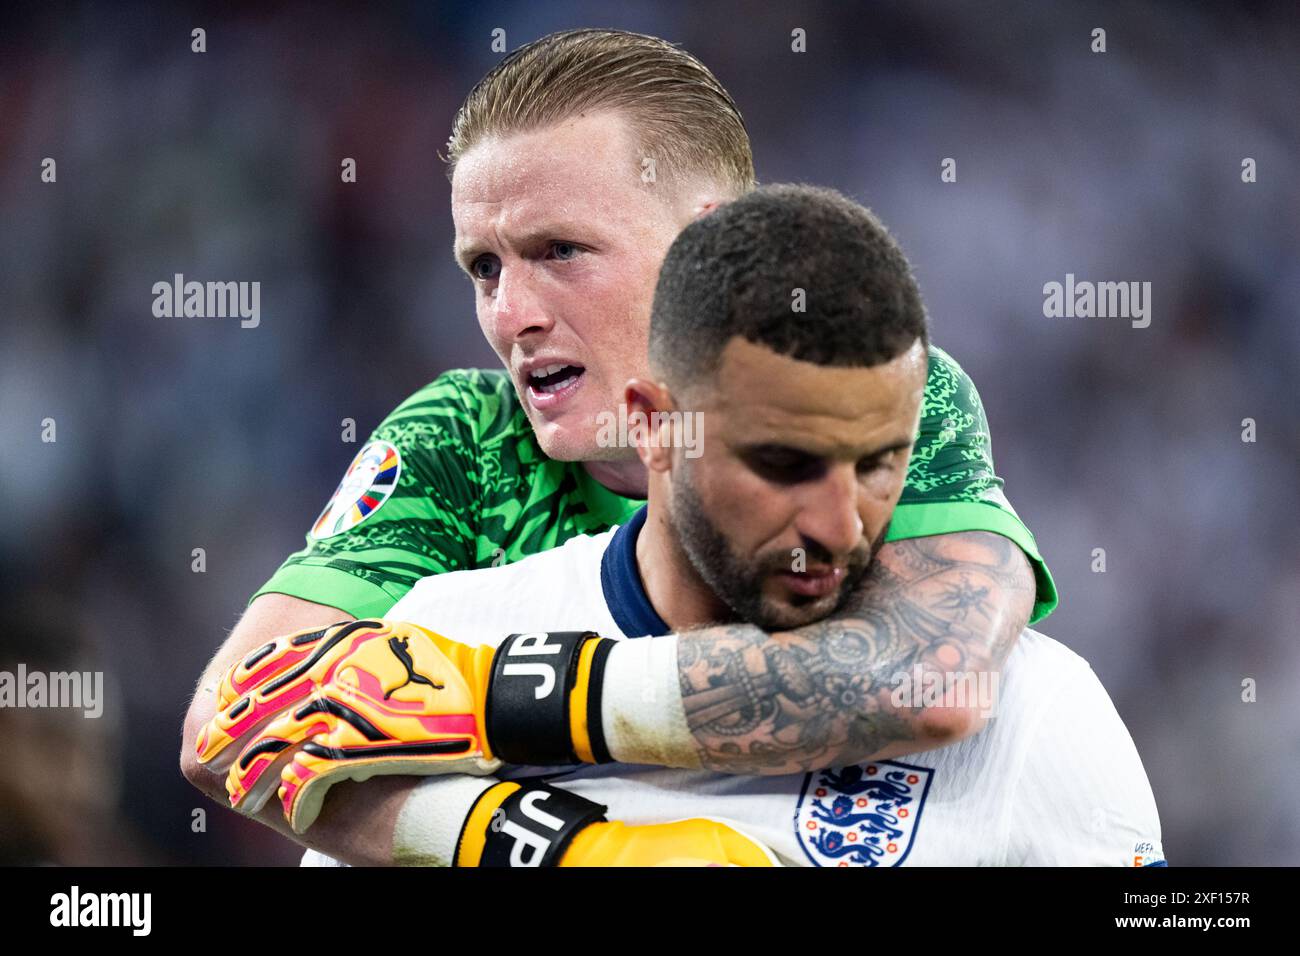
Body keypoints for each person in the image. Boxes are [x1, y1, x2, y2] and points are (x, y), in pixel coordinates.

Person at [182, 29, 1054, 850]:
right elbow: (233, 726)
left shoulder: (869, 390)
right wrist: (577, 856)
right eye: (483, 267)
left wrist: (506, 697)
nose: (509, 316)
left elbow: (934, 675)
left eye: (560, 250)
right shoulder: (463, 444)